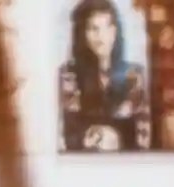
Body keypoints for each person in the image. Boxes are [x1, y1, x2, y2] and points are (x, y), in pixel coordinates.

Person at [59, 0, 149, 151]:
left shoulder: (133, 75)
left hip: (126, 164)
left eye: (107, 27)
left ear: (115, 31)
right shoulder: (69, 75)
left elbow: (143, 135)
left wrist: (117, 141)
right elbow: (68, 132)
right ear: (83, 34)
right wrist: (89, 139)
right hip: (82, 164)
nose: (101, 36)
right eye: (93, 28)